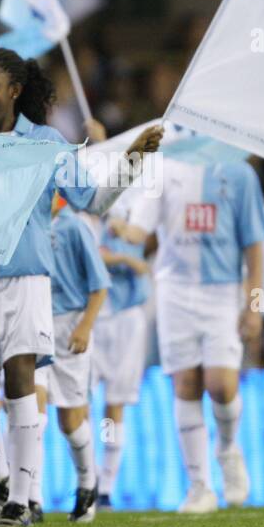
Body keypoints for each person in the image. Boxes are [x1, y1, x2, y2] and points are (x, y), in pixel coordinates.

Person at [0, 49, 160, 527]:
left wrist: (132, 161)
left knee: (25, 384)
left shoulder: (46, 142)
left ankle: (20, 501)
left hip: (31, 280)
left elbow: (90, 200)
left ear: (15, 90)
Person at [121, 151, 264, 514]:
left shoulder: (239, 172)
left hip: (222, 292)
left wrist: (255, 305)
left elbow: (255, 246)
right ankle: (199, 486)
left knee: (221, 385)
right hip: (174, 290)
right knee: (186, 383)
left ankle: (229, 448)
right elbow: (138, 230)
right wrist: (115, 220)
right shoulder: (165, 165)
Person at [44, 193, 111, 522]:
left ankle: (88, 481)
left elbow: (99, 285)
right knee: (29, 409)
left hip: (70, 324)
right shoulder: (28, 222)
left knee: (70, 420)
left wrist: (85, 326)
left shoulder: (75, 227)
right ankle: (26, 498)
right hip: (34, 322)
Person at [93, 187, 153, 508]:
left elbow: (146, 251)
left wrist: (130, 240)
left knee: (114, 404)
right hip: (87, 317)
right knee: (77, 404)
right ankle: (86, 479)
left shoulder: (141, 205)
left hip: (126, 314)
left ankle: (105, 485)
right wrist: (123, 258)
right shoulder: (83, 203)